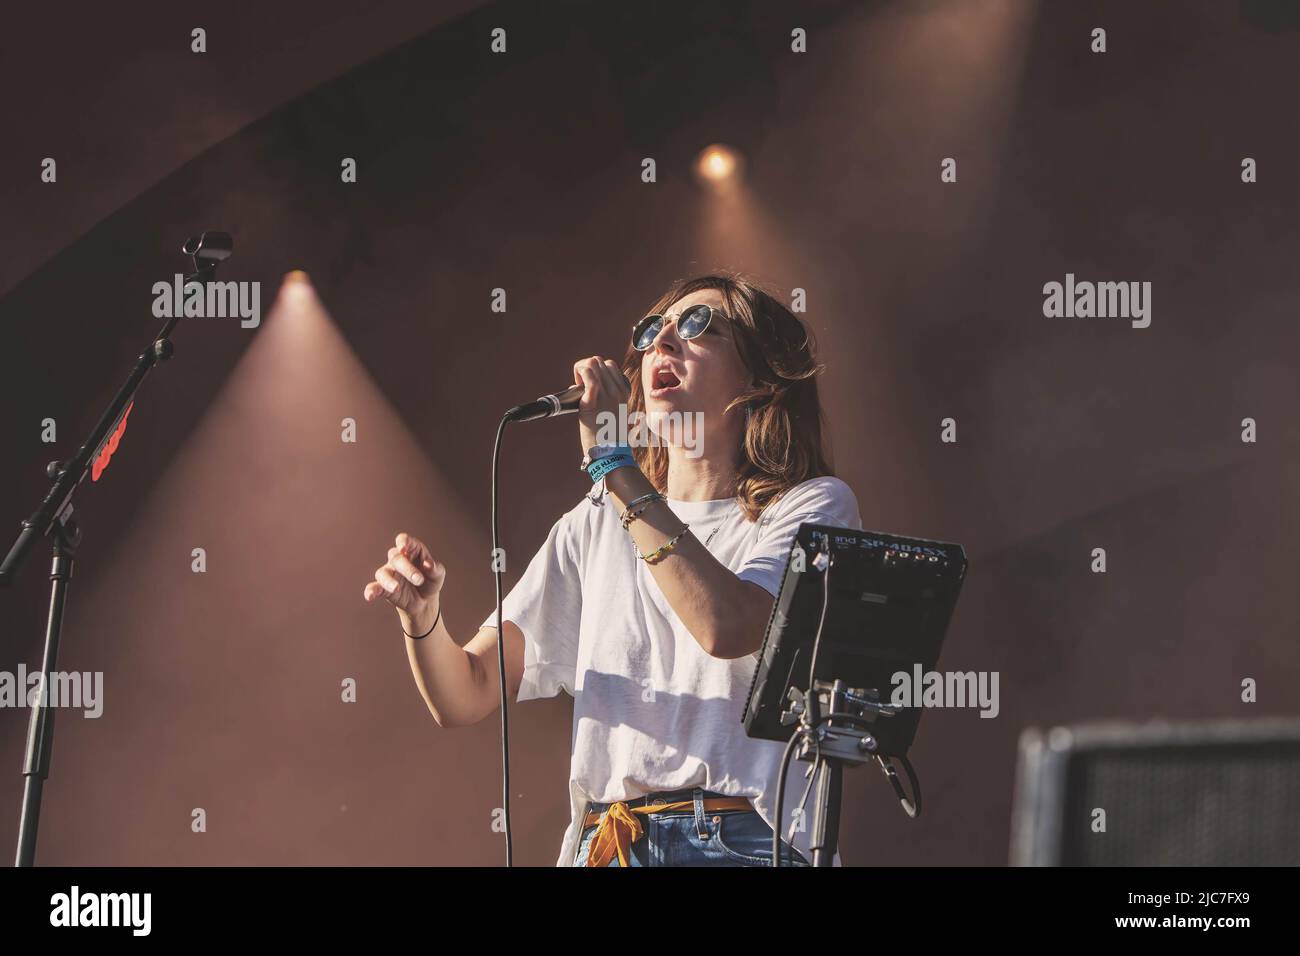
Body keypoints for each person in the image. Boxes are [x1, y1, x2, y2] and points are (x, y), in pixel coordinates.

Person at [363, 274, 862, 866]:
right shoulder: (599, 519)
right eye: (651, 332)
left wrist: (611, 462)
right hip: (610, 842)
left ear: (758, 377)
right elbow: (465, 692)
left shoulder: (810, 507)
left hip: (737, 840)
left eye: (698, 326)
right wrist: (423, 619)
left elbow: (726, 626)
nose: (663, 343)